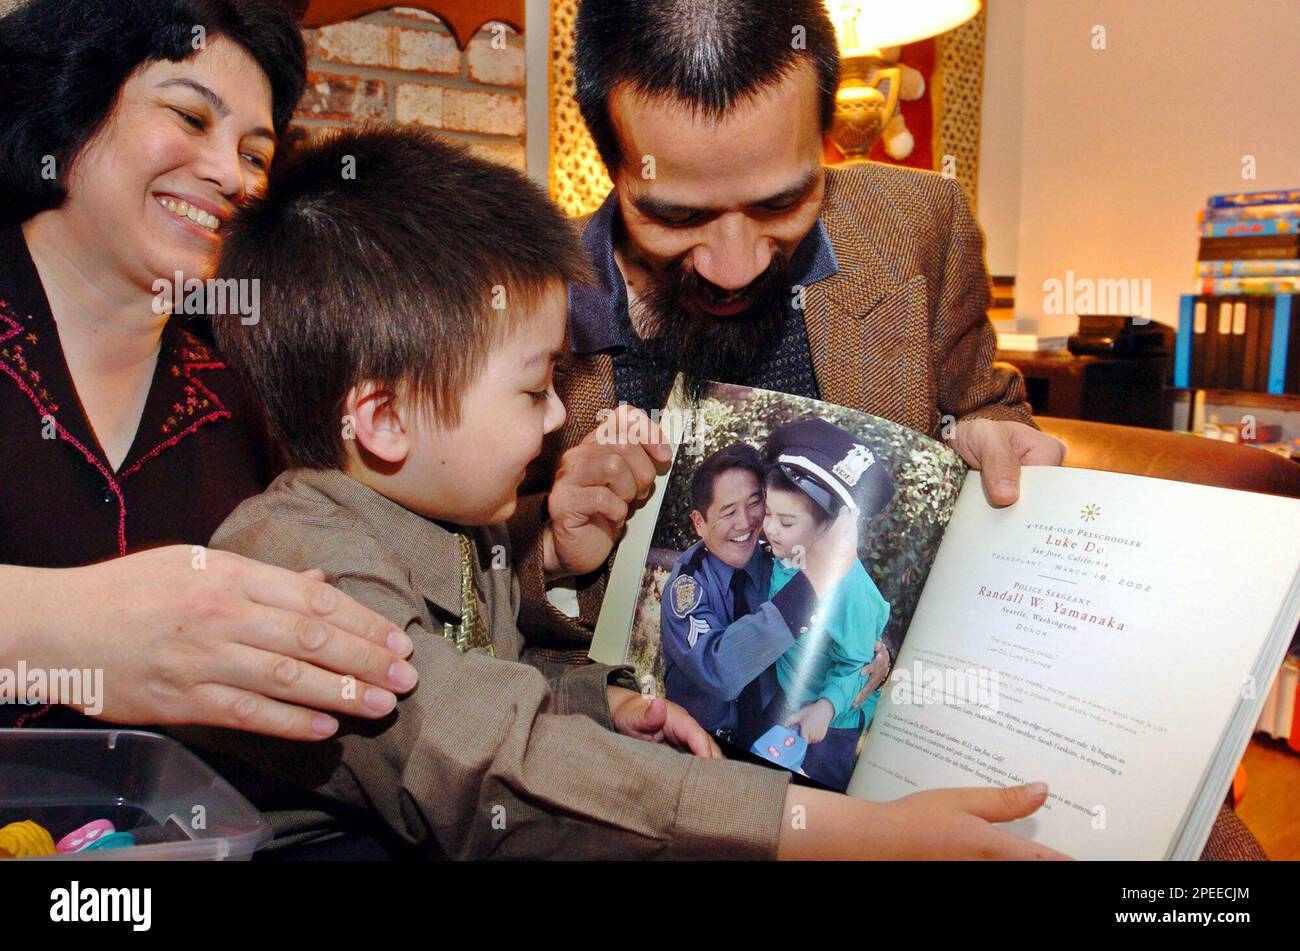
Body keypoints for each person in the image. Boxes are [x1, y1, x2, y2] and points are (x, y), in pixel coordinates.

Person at [171, 124, 1066, 861]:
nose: (558, 414)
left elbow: (502, 680)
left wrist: (603, 702)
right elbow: (487, 758)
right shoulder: (301, 571)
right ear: (384, 420)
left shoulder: (445, 520)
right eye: (533, 389)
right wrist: (849, 834)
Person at [509, 0, 1065, 674]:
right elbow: (443, 559)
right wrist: (549, 551)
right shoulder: (520, 292)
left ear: (821, 142)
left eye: (780, 203)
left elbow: (983, 406)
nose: (734, 266)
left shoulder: (921, 226)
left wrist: (982, 443)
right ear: (615, 168)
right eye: (679, 216)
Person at [0, 0, 415, 738]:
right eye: (191, 118)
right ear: (70, 109)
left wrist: (542, 552)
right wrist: (54, 626)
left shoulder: (244, 389)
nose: (232, 175)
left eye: (256, 153)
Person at [659, 442, 857, 751]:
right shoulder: (687, 587)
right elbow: (719, 670)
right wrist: (810, 584)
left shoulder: (777, 560)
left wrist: (871, 651)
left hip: (772, 741)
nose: (746, 522)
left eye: (754, 503)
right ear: (700, 523)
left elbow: (840, 624)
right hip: (699, 745)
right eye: (728, 512)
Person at [759, 418, 896, 791]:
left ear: (830, 527)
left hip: (828, 727)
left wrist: (826, 709)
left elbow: (857, 664)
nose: (770, 529)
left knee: (815, 801)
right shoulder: (779, 552)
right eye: (768, 513)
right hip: (784, 698)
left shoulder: (853, 592)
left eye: (786, 522)